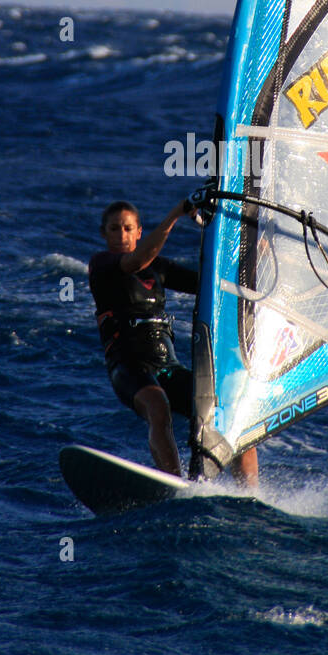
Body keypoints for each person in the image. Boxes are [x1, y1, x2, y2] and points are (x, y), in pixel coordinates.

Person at [88, 199, 258, 487]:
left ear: (139, 231)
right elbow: (135, 262)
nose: (121, 235)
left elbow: (214, 284)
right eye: (114, 229)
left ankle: (250, 495)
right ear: (104, 233)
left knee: (231, 414)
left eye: (128, 228)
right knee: (158, 405)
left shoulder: (160, 269)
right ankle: (174, 485)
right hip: (128, 367)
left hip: (167, 366)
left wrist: (252, 253)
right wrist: (174, 215)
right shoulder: (102, 265)